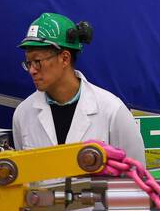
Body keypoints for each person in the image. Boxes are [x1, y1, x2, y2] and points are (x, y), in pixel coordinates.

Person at [12, 13, 145, 159]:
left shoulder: (112, 111)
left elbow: (135, 169)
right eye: (28, 63)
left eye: (37, 61)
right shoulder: (23, 114)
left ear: (65, 58)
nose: (32, 70)